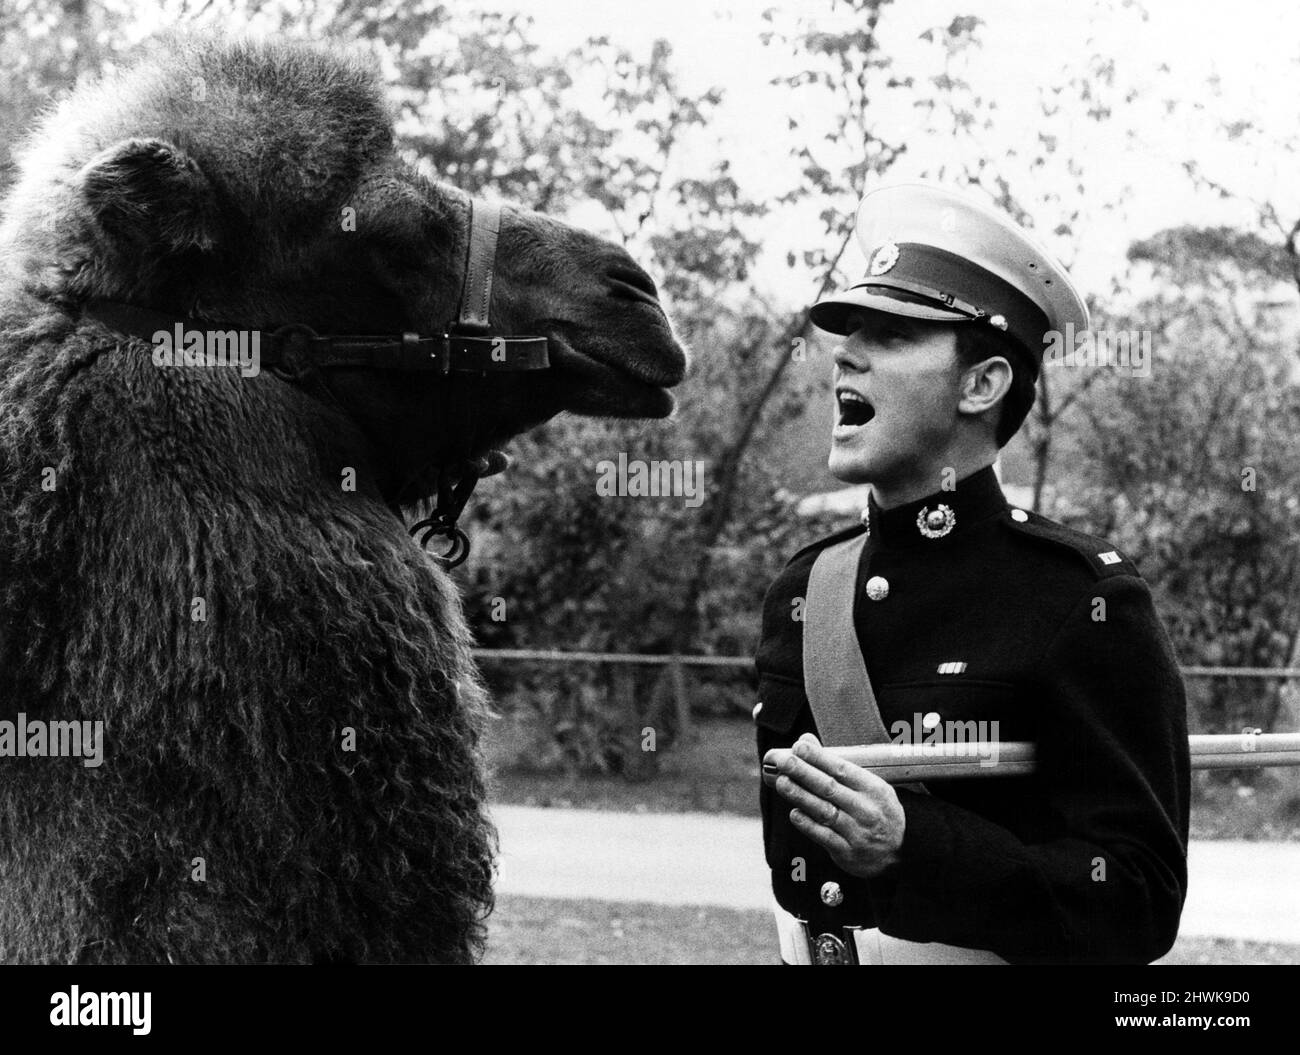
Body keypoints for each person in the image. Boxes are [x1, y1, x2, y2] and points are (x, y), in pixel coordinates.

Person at [754, 180, 1190, 965]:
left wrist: (912, 846)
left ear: (981, 383)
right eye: (849, 330)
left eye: (890, 335)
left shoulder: (1080, 597)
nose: (845, 352)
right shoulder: (804, 590)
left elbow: (1138, 897)